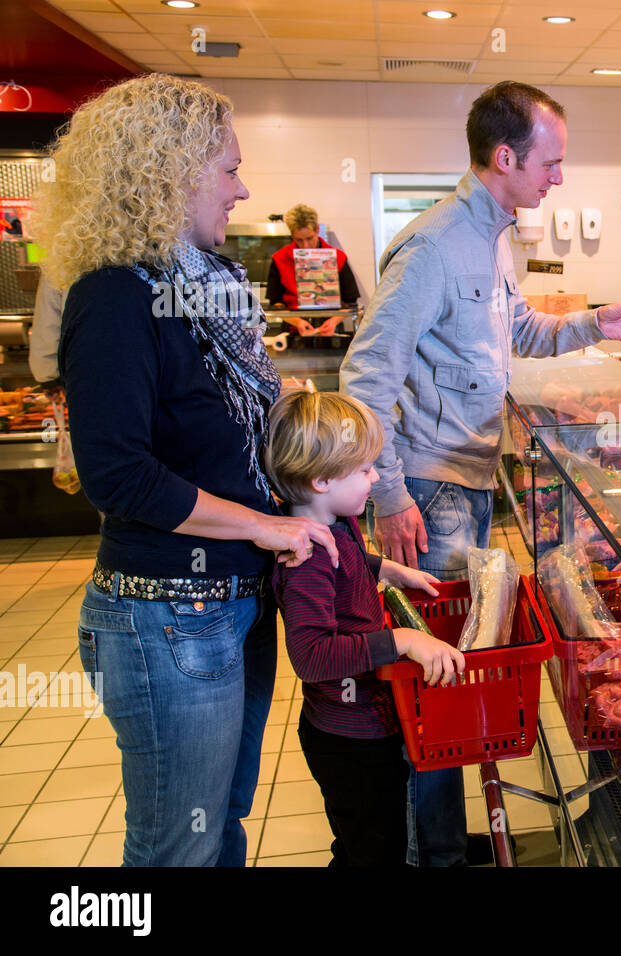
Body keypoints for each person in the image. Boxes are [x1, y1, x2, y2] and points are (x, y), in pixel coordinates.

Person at [340, 80, 621, 866]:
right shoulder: (432, 245)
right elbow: (366, 378)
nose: (558, 178)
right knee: (441, 699)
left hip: (468, 483)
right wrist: (386, 494)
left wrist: (598, 323)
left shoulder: (493, 236)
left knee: (460, 688)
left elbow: (514, 328)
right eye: (550, 163)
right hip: (426, 492)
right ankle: (440, 857)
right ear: (505, 157)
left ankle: (449, 847)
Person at [38, 73, 339, 866]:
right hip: (168, 618)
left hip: (233, 604)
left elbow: (213, 422)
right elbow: (120, 476)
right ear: (166, 172)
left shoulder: (206, 286)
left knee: (222, 826)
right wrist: (267, 525)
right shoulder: (114, 296)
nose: (242, 191)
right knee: (178, 848)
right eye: (230, 169)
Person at [266, 388, 463, 867]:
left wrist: (391, 571)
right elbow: (311, 656)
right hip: (349, 740)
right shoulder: (306, 558)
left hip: (369, 725)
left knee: (371, 843)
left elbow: (353, 567)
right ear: (320, 480)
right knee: (373, 852)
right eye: (364, 470)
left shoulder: (335, 522)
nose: (375, 479)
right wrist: (404, 640)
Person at [266, 203, 361, 309]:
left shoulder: (338, 257)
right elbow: (275, 302)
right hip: (294, 322)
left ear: (317, 229)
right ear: (292, 235)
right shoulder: (280, 258)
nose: (306, 246)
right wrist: (298, 322)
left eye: (309, 238)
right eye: (299, 240)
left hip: (331, 321)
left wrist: (333, 322)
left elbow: (351, 301)